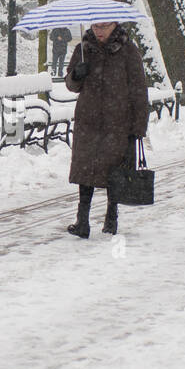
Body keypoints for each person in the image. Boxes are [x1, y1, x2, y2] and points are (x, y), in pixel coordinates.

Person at [64, 21, 150, 238]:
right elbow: (71, 85)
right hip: (89, 120)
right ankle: (82, 221)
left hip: (118, 121)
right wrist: (76, 74)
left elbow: (139, 89)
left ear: (114, 25)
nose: (99, 31)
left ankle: (111, 217)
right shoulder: (83, 50)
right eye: (95, 27)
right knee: (85, 171)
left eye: (104, 26)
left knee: (115, 171)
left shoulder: (128, 50)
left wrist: (139, 125)